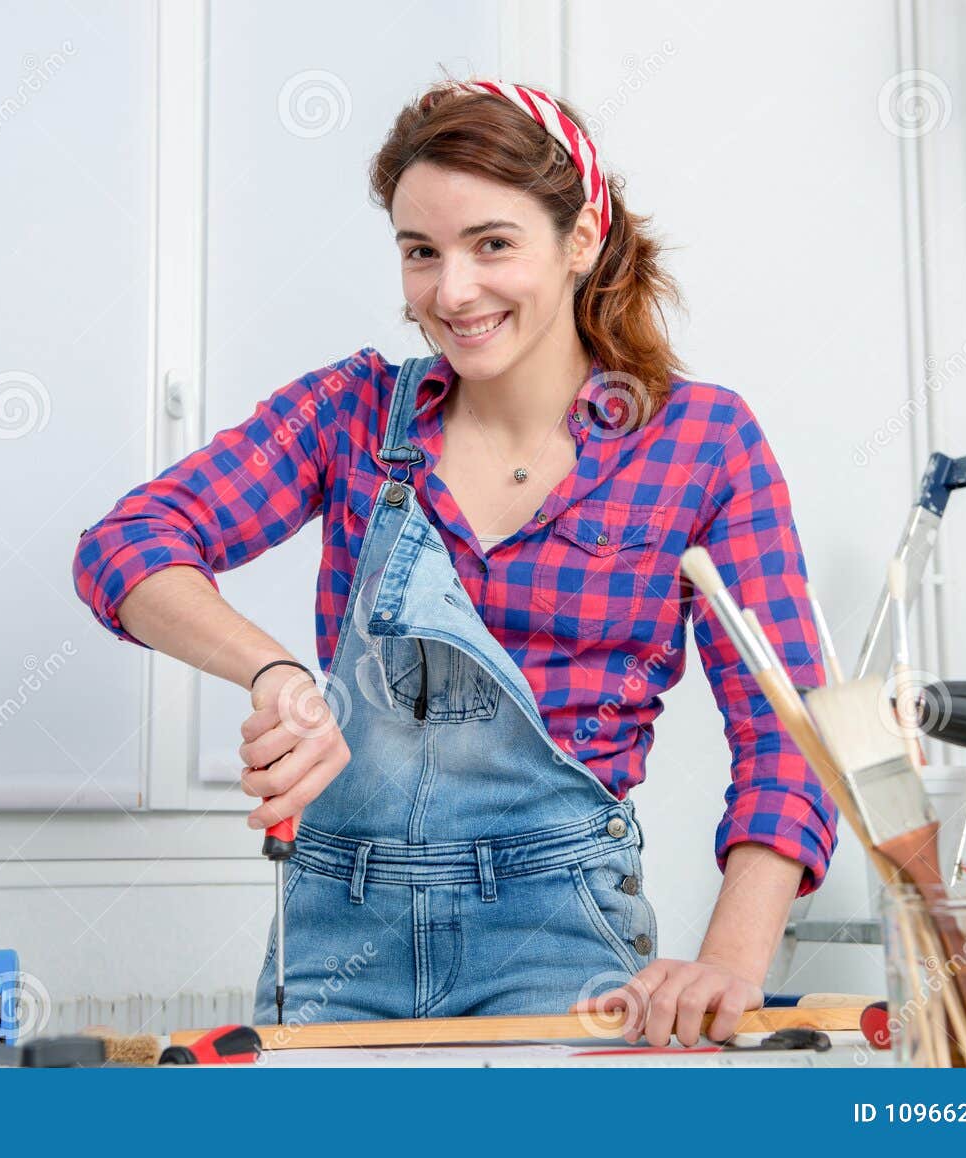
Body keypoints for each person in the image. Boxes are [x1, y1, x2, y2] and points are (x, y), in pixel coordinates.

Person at [73, 78, 837, 1047]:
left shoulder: (698, 442)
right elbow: (128, 545)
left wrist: (730, 961)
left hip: (560, 945)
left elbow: (791, 726)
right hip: (337, 940)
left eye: (492, 244)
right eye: (420, 252)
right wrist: (276, 676)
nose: (452, 292)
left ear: (581, 236)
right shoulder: (351, 417)